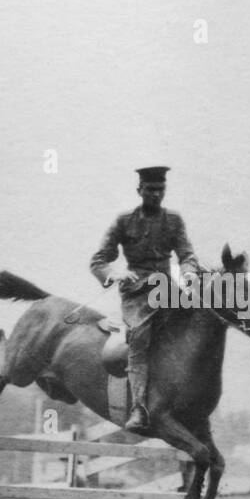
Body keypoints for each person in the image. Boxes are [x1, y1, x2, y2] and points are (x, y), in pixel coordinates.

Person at [89, 166, 201, 435]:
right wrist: (116, 274)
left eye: (160, 189)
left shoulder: (174, 220)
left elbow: (187, 255)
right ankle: (139, 407)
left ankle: (196, 393)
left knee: (199, 321)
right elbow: (98, 261)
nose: (155, 194)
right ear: (140, 190)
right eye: (150, 189)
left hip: (166, 286)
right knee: (140, 336)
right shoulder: (124, 221)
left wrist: (188, 274)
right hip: (137, 292)